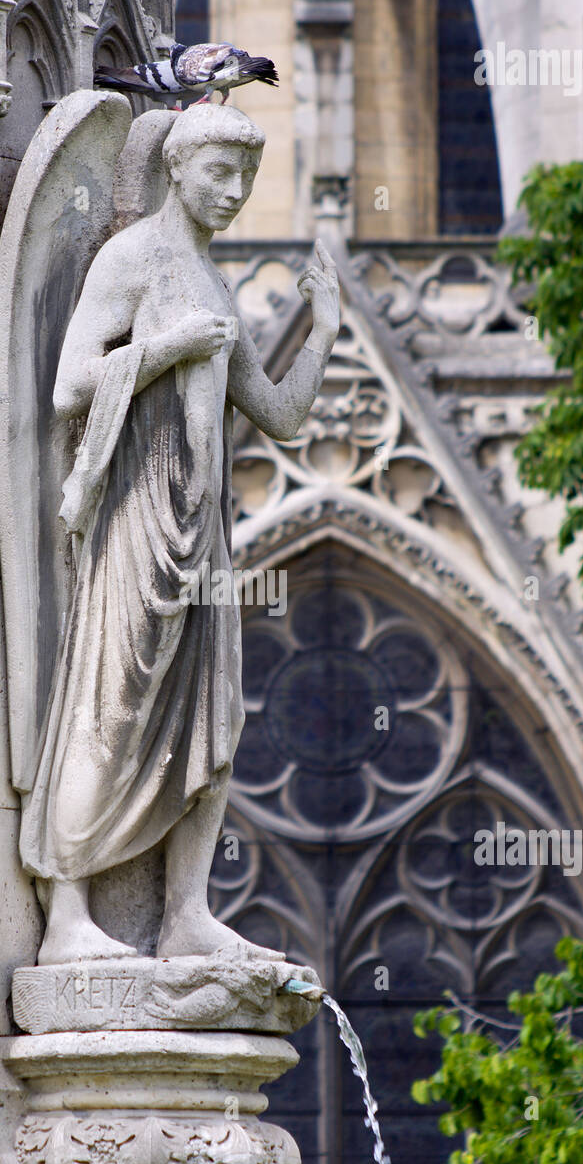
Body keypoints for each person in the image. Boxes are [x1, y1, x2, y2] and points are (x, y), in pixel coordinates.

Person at [19, 102, 340, 965]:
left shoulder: (211, 278)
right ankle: (67, 920)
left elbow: (276, 412)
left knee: (216, 721)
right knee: (108, 710)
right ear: (176, 169)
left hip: (204, 529)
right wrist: (166, 346)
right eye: (219, 174)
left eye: (246, 179)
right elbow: (67, 387)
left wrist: (325, 333)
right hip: (137, 517)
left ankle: (186, 914)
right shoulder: (133, 259)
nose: (235, 194)